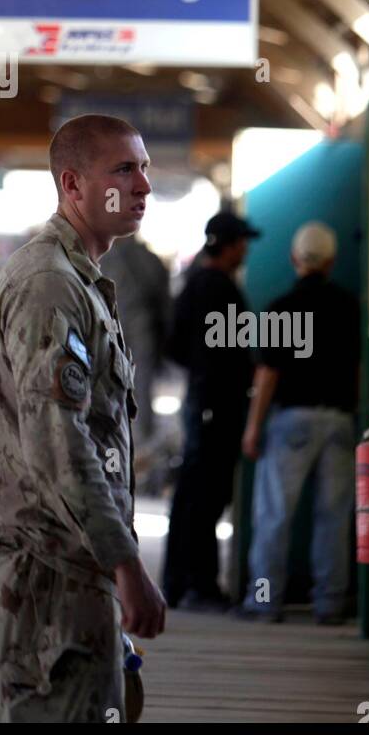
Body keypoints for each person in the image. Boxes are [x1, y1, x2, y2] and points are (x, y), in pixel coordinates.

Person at [0, 113, 165, 724]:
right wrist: (125, 564)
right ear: (73, 185)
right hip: (47, 570)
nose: (143, 186)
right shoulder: (49, 285)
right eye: (123, 170)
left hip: (69, 565)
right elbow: (58, 440)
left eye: (144, 170)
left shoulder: (82, 280)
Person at [238, 222, 360, 624]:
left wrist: (254, 426)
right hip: (340, 419)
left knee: (275, 514)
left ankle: (264, 601)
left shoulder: (281, 308)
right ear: (331, 260)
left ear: (294, 259)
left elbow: (268, 374)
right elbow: (358, 369)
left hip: (293, 420)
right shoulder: (350, 306)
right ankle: (331, 603)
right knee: (335, 516)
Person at [162, 210, 259, 612]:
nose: (244, 251)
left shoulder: (194, 285)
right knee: (205, 493)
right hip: (216, 405)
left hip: (205, 400)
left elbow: (174, 344)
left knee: (195, 491)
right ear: (228, 245)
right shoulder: (217, 287)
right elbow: (231, 351)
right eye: (241, 244)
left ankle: (181, 582)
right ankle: (198, 584)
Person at [100, 236, 171, 451]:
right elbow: (162, 300)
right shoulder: (149, 259)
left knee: (108, 383)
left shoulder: (102, 257)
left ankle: (113, 439)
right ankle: (141, 442)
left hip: (109, 325)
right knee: (141, 383)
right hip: (141, 327)